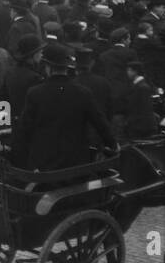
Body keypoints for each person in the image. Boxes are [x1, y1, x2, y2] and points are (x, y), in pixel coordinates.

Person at [13, 42, 117, 172]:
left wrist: (4, 127)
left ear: (47, 67)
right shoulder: (83, 92)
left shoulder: (30, 89)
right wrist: (112, 144)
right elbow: (101, 124)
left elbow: (22, 127)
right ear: (67, 68)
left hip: (46, 163)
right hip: (77, 163)